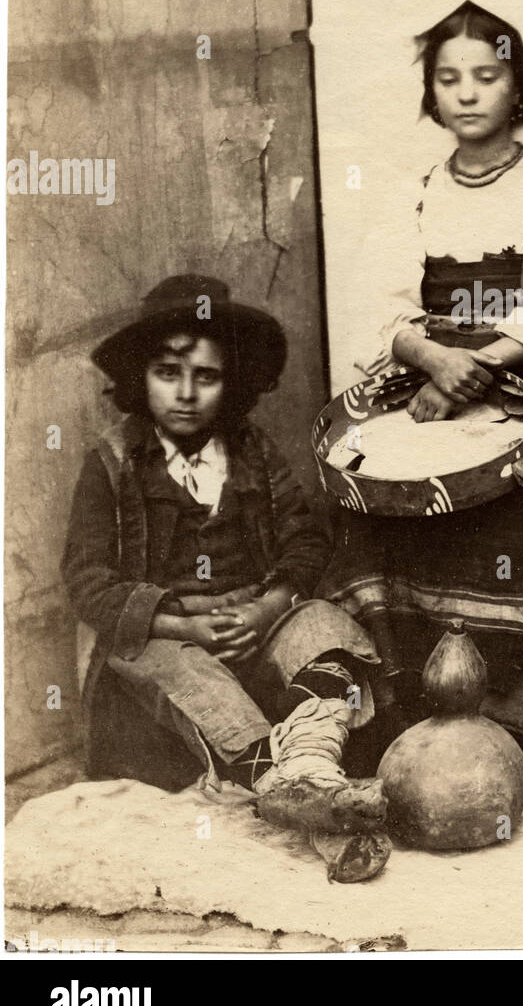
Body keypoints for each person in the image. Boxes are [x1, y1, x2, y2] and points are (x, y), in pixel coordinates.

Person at [323, 1, 523, 796]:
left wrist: (488, 364)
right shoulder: (420, 187)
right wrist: (433, 360)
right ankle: (412, 708)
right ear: (431, 94)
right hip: (434, 363)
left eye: (487, 76)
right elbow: (388, 299)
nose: (467, 93)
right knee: (369, 486)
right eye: (448, 78)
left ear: (519, 87)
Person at [62, 273, 391, 880]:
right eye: (167, 373)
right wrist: (180, 621)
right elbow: (86, 579)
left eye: (206, 377)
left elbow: (305, 538)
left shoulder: (254, 451)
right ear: (140, 377)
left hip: (255, 616)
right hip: (171, 630)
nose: (185, 394)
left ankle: (312, 764)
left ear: (230, 383)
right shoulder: (110, 463)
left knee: (324, 623)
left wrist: (269, 609)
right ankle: (290, 785)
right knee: (171, 661)